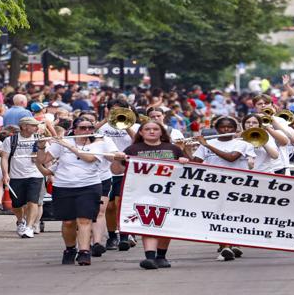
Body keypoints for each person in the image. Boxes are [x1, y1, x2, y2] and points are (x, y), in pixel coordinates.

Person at [43, 116, 117, 265]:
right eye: (83, 128)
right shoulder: (64, 142)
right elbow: (44, 160)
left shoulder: (99, 143)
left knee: (84, 219)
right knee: (68, 222)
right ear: (75, 130)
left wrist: (68, 146)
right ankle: (70, 249)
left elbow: (89, 158)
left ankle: (84, 251)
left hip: (89, 186)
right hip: (64, 186)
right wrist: (39, 146)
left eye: (90, 128)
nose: (87, 131)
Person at [112, 119, 181, 270]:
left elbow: (186, 171)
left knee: (165, 224)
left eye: (155, 129)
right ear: (141, 133)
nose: (151, 131)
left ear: (162, 132)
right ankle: (149, 257)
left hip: (168, 192)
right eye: (147, 129)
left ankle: (161, 256)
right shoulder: (132, 149)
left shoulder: (173, 149)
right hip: (141, 192)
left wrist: (184, 159)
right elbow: (116, 171)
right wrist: (116, 160)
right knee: (148, 223)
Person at [181, 115, 252, 260]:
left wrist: (207, 145)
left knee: (235, 215)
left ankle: (235, 242)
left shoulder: (242, 144)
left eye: (229, 127)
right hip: (213, 185)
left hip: (237, 185)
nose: (226, 129)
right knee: (219, 215)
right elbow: (197, 164)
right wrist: (186, 150)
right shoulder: (207, 143)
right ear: (217, 129)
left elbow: (231, 157)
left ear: (235, 129)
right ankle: (225, 246)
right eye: (222, 127)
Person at [4, 117, 46, 238]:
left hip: (35, 174)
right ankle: (21, 220)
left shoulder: (40, 139)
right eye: (33, 125)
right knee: (17, 203)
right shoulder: (11, 140)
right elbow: (5, 158)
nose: (36, 128)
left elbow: (45, 157)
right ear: (24, 126)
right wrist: (5, 174)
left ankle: (29, 227)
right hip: (16, 175)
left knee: (33, 201)